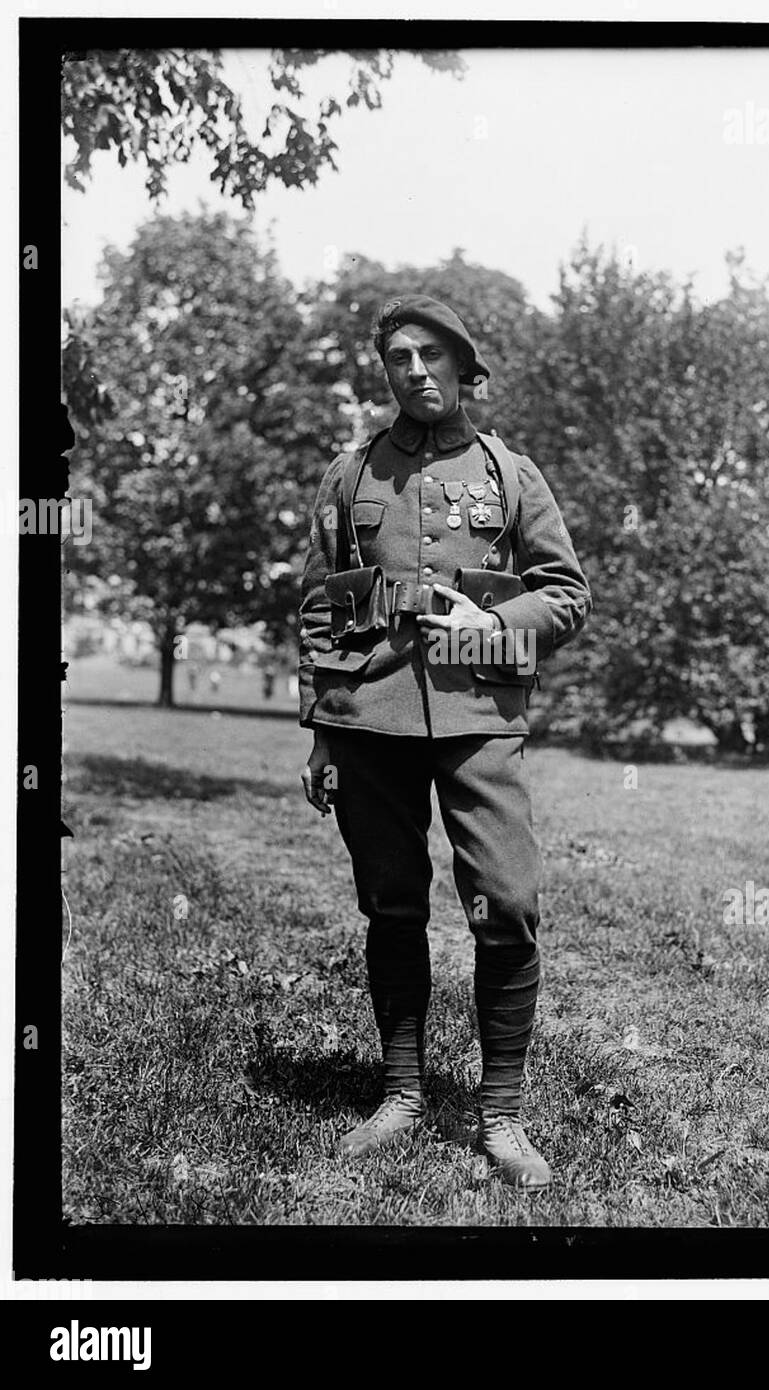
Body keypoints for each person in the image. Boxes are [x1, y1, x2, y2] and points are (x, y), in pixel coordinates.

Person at [298, 294, 591, 1189]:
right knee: (391, 904)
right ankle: (400, 1094)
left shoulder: (512, 474)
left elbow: (565, 594)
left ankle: (500, 1115)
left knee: (508, 902)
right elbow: (318, 605)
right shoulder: (352, 474)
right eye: (399, 358)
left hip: (478, 721)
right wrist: (319, 728)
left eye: (431, 356)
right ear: (385, 372)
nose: (416, 371)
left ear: (464, 368)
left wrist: (494, 616)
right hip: (369, 721)